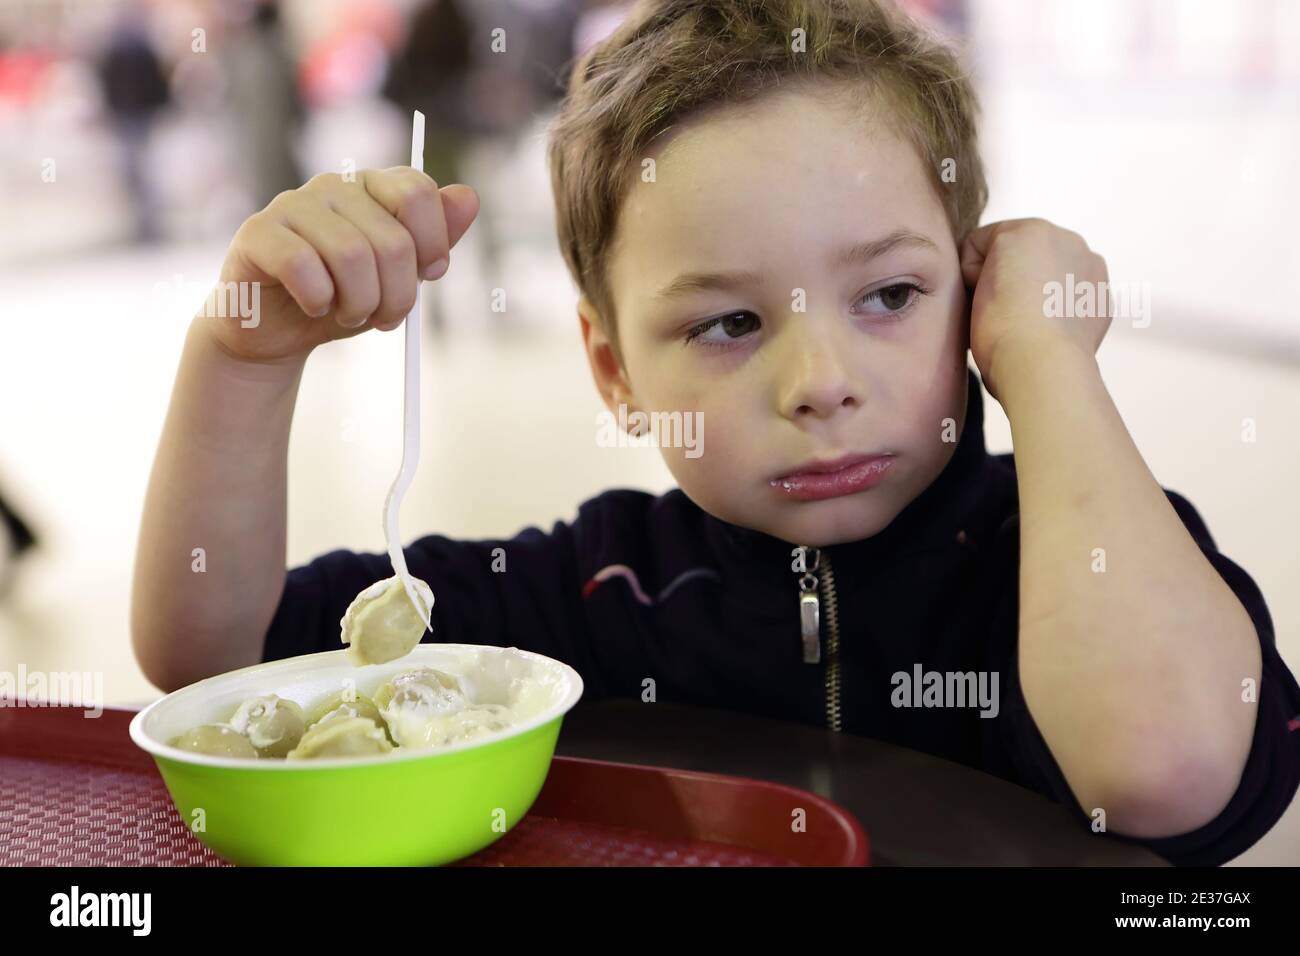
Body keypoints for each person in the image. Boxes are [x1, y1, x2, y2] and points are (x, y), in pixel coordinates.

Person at [132, 0, 1298, 866]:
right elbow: (214, 659)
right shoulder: (589, 593)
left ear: (976, 290)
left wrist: (1046, 364)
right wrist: (244, 351)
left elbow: (1165, 773)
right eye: (730, 321)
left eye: (891, 295)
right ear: (613, 367)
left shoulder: (1090, 556)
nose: (821, 382)